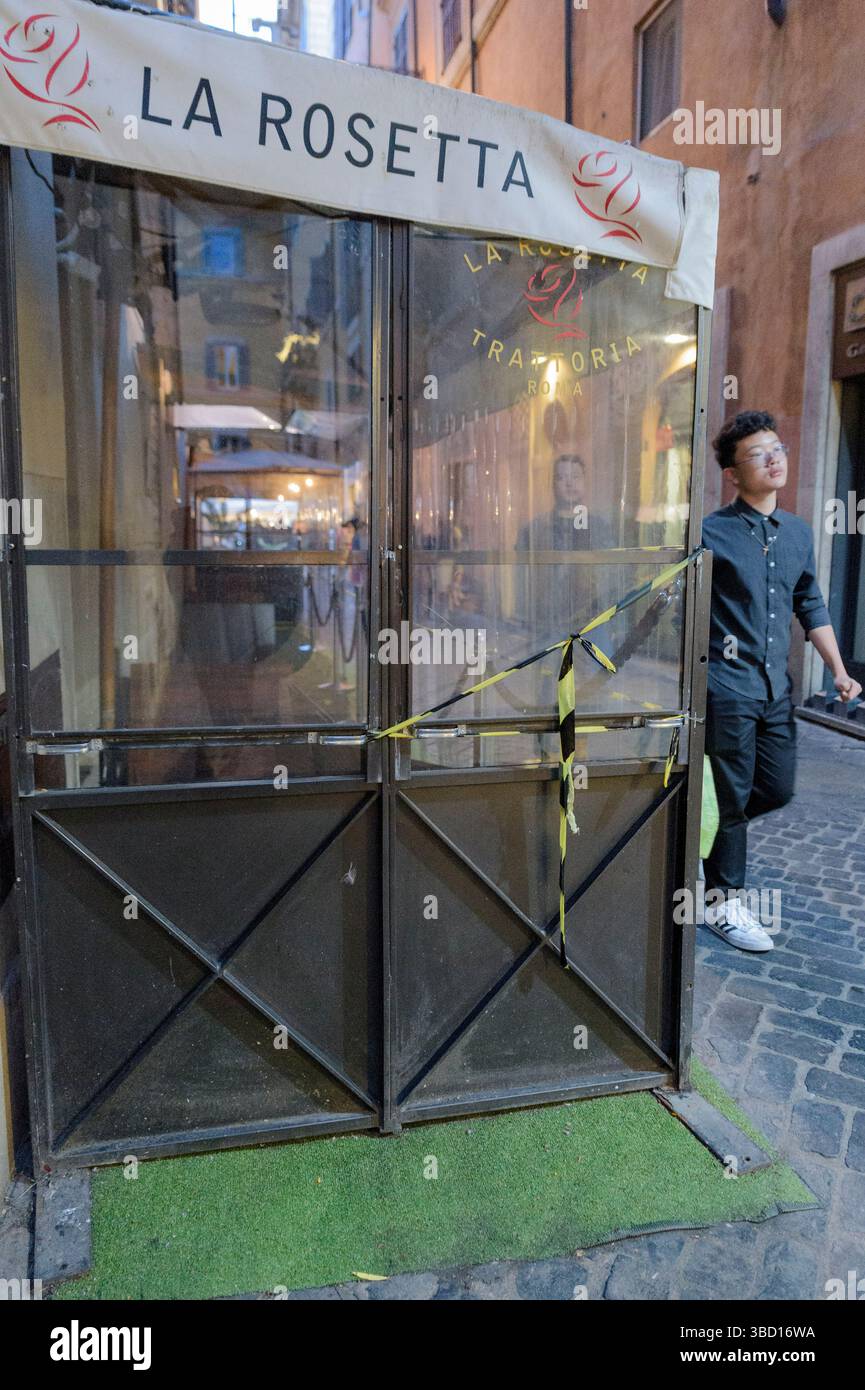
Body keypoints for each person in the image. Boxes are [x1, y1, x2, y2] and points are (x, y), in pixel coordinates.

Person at [701, 410, 862, 952]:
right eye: (757, 453)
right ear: (733, 472)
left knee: (775, 787)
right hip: (726, 686)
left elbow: (809, 601)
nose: (774, 459)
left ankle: (704, 846)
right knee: (729, 795)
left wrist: (839, 671)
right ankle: (722, 902)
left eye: (778, 448)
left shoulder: (796, 532)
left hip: (776, 689)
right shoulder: (710, 533)